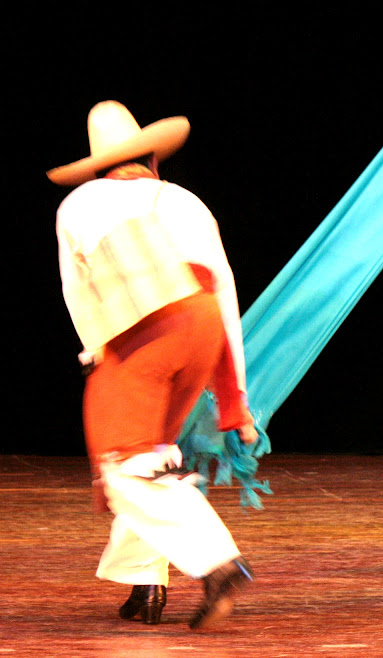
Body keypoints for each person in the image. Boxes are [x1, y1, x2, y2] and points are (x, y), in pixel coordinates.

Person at [48, 100, 259, 626]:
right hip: (202, 326)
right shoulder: (190, 200)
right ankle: (146, 588)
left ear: (99, 167)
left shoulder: (77, 204)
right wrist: (236, 403)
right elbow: (223, 293)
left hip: (140, 328)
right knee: (153, 458)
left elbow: (78, 294)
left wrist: (97, 355)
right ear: (153, 161)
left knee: (124, 467)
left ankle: (217, 562)